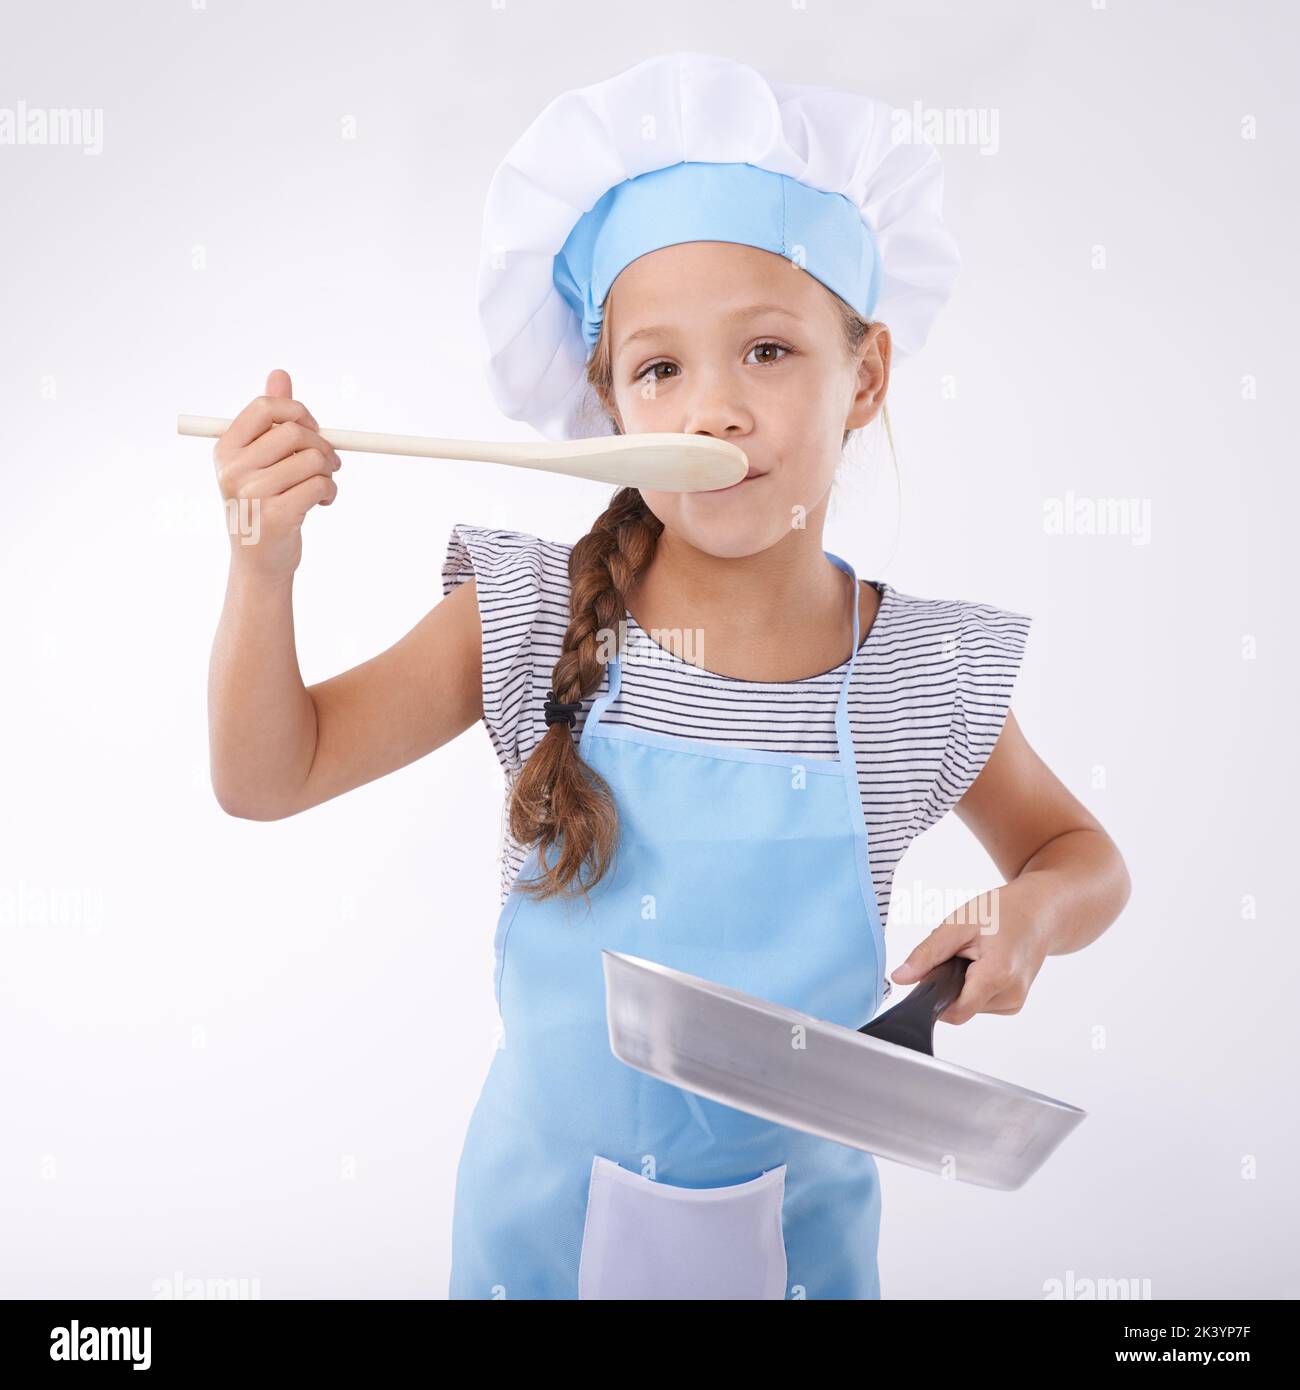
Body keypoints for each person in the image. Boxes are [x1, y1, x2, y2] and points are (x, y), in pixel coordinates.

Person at [208, 52, 1131, 1301]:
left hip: (801, 1247)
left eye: (765, 350)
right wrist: (265, 574)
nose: (714, 411)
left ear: (863, 377)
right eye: (660, 369)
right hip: (527, 1241)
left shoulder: (918, 667)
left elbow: (1081, 856)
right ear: (611, 406)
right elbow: (272, 776)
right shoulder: (529, 617)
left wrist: (1026, 917)